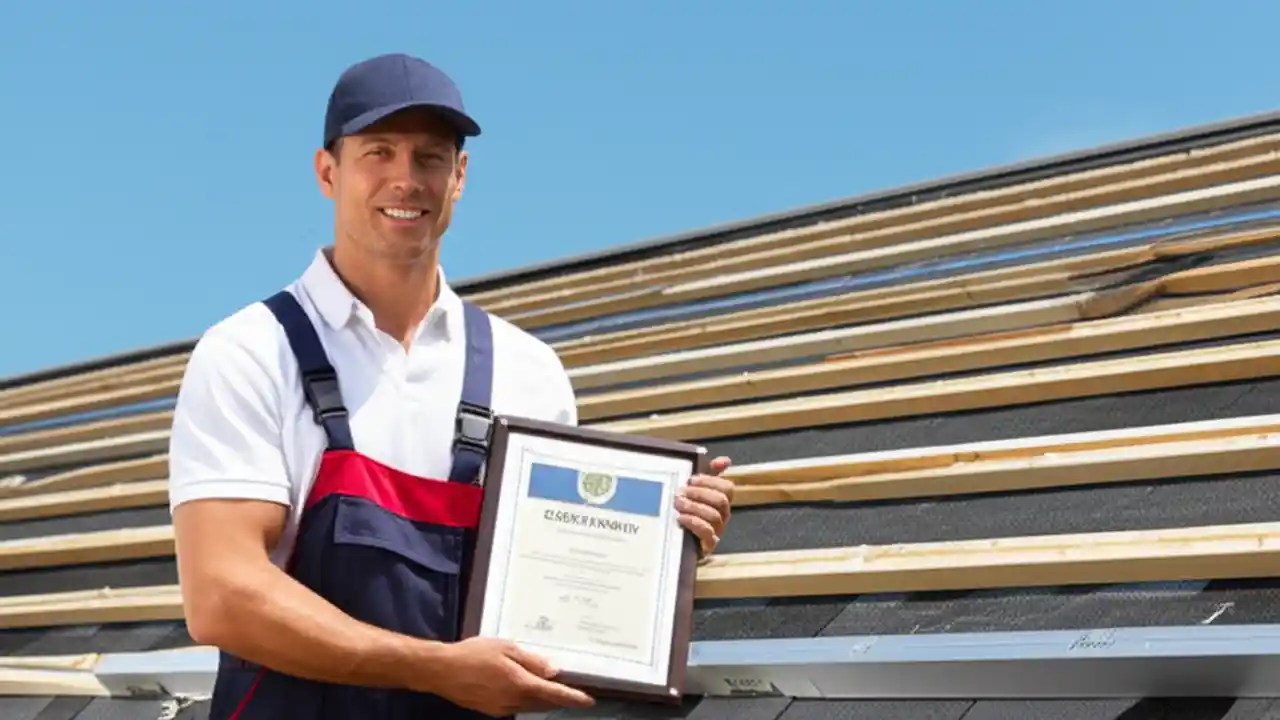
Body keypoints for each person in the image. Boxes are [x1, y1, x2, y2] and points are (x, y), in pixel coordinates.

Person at [167, 52, 735, 720]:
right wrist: (436, 671)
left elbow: (556, 592)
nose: (405, 179)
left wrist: (666, 541)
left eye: (430, 158)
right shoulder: (250, 353)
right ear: (328, 172)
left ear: (459, 176)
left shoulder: (529, 372)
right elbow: (223, 596)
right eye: (378, 152)